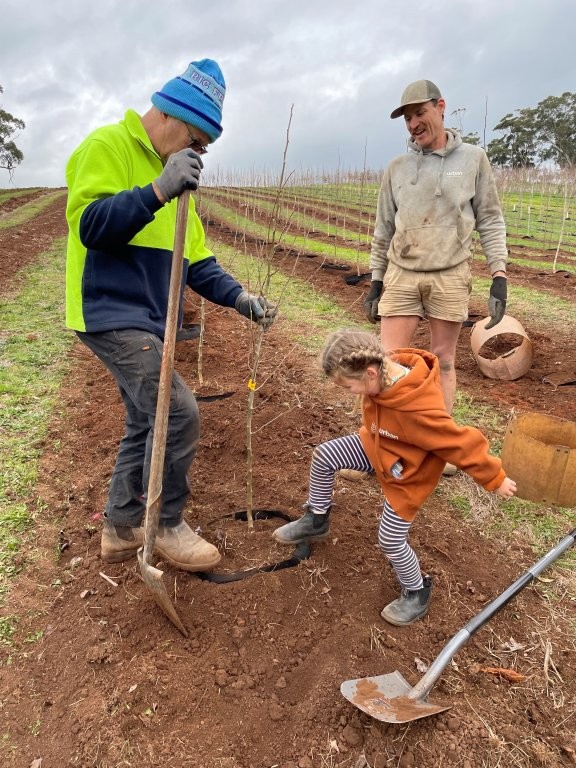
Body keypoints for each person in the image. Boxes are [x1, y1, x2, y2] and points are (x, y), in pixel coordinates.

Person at [65, 59, 276, 572]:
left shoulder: (177, 178)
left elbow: (197, 262)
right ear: (172, 116)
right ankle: (164, 523)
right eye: (198, 141)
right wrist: (158, 190)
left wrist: (241, 299)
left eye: (205, 147)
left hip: (146, 316)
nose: (199, 154)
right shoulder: (107, 147)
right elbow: (92, 225)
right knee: (177, 410)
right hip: (108, 311)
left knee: (146, 415)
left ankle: (118, 526)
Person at [273, 329, 516, 626]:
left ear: (371, 373)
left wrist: (495, 478)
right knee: (325, 456)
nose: (350, 392)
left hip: (409, 474)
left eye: (349, 386)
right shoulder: (379, 374)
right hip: (379, 446)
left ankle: (417, 590)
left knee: (390, 539)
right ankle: (317, 518)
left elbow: (460, 442)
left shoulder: (418, 409)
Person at [364, 79, 508, 419]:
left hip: (450, 274)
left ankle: (438, 446)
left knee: (443, 361)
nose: (414, 124)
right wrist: (375, 281)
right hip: (402, 273)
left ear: (440, 107)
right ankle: (378, 446)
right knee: (387, 360)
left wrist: (498, 274)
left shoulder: (472, 160)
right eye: (407, 119)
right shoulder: (397, 168)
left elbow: (490, 219)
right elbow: (383, 229)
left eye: (420, 113)